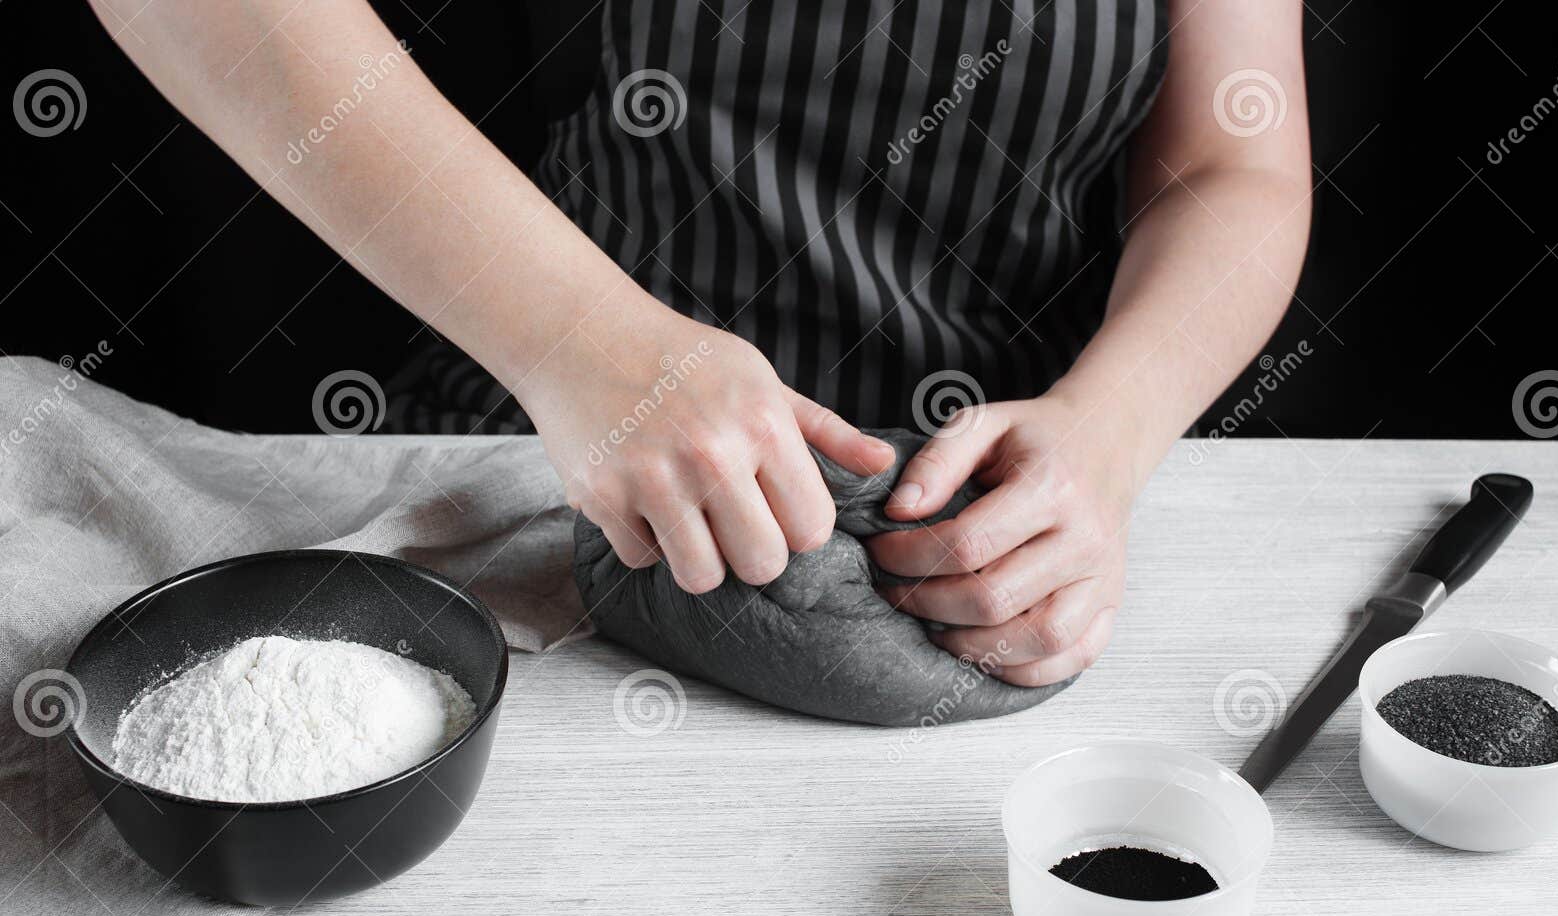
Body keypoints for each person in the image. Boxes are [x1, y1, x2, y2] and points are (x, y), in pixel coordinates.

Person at [91, 0, 1310, 688]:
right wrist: (580, 341)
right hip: (526, 480)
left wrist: (1110, 431)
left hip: (991, 530)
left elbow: (1230, 162)